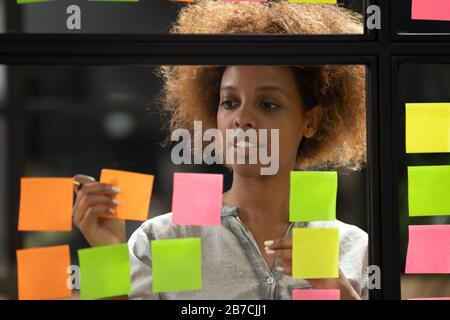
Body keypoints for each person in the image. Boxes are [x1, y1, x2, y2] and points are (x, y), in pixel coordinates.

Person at [72, 0, 368, 300]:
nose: (242, 118)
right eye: (229, 102)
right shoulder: (165, 237)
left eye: (268, 104)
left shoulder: (353, 248)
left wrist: (338, 291)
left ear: (311, 121)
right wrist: (107, 252)